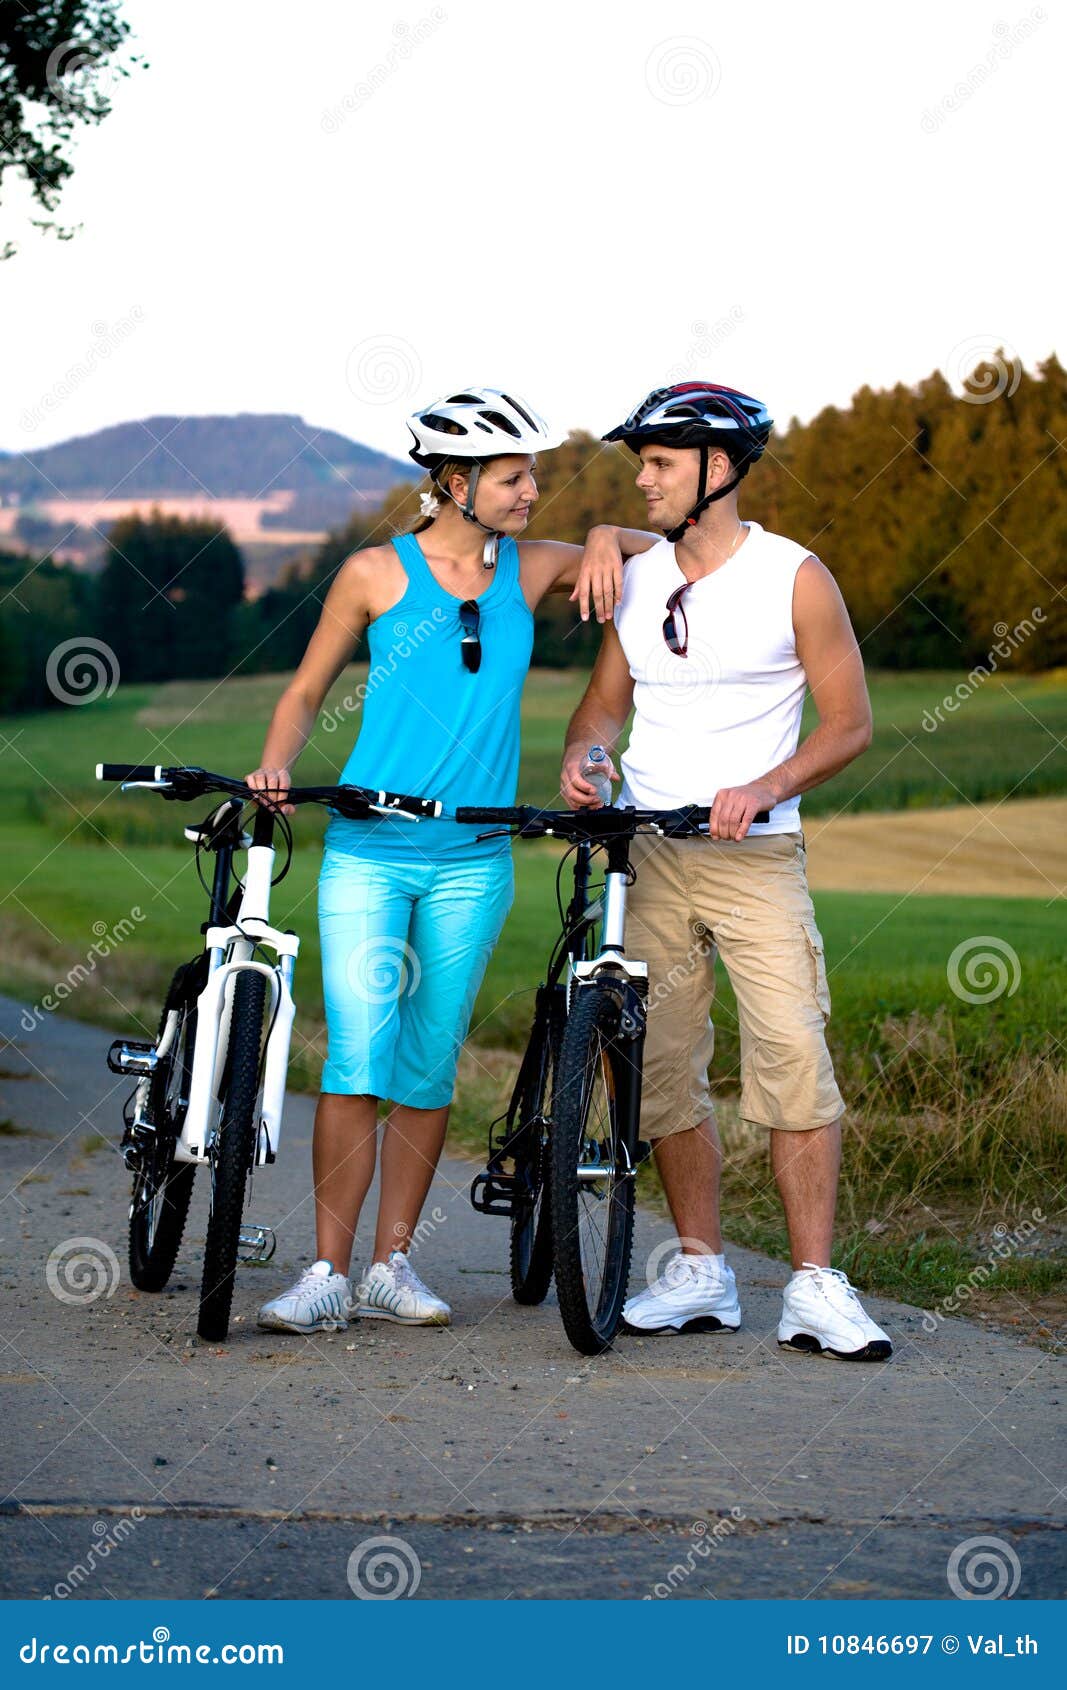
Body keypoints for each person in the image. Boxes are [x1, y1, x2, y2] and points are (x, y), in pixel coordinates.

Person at [248, 386, 657, 1333]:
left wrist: (601, 536)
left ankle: (393, 1265)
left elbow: (664, 551)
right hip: (369, 851)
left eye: (533, 476)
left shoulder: (527, 570)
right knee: (358, 1056)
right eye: (515, 477)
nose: (530, 492)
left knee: (429, 1062)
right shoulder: (374, 575)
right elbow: (307, 692)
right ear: (454, 482)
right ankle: (325, 1271)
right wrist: (276, 762)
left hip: (475, 856)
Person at [561, 381, 892, 1361]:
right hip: (650, 854)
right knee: (662, 1072)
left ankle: (813, 1285)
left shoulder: (794, 577)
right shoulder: (635, 576)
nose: (642, 480)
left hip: (756, 856)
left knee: (791, 1055)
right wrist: (586, 760)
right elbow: (597, 711)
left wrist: (765, 783)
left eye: (659, 463)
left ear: (717, 469)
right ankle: (700, 1269)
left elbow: (849, 725)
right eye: (640, 466)